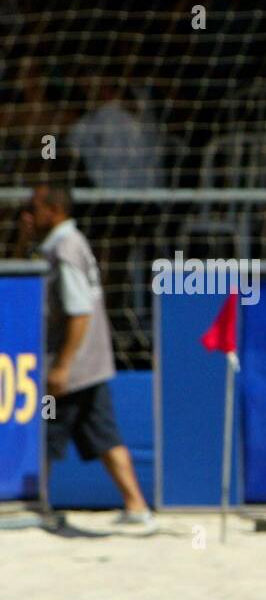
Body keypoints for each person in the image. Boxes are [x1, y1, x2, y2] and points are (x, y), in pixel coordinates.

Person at [25, 185, 154, 529]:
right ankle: (137, 507)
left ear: (53, 211)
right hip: (90, 364)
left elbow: (80, 312)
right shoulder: (70, 243)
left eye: (33, 208)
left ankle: (36, 505)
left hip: (70, 369)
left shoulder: (64, 249)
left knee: (42, 435)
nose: (27, 215)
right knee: (106, 437)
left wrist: (63, 365)